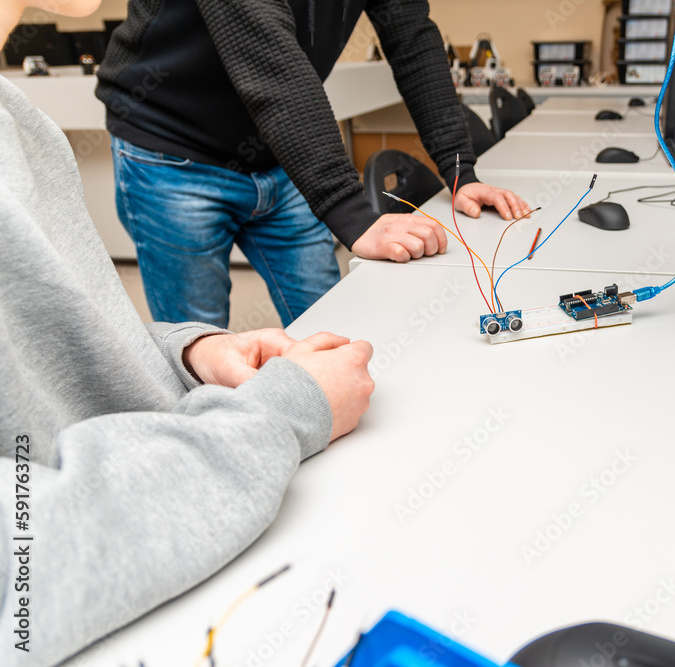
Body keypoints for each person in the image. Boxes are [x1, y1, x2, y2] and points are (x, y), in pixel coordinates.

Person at [0, 2, 375, 664]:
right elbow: (24, 572)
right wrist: (285, 413)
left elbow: (32, 368)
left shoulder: (17, 119)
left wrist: (187, 354)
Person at [96, 0, 530, 328]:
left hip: (281, 154)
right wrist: (351, 212)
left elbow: (412, 36)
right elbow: (266, 51)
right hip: (171, 147)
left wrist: (459, 170)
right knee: (202, 345)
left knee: (333, 327)